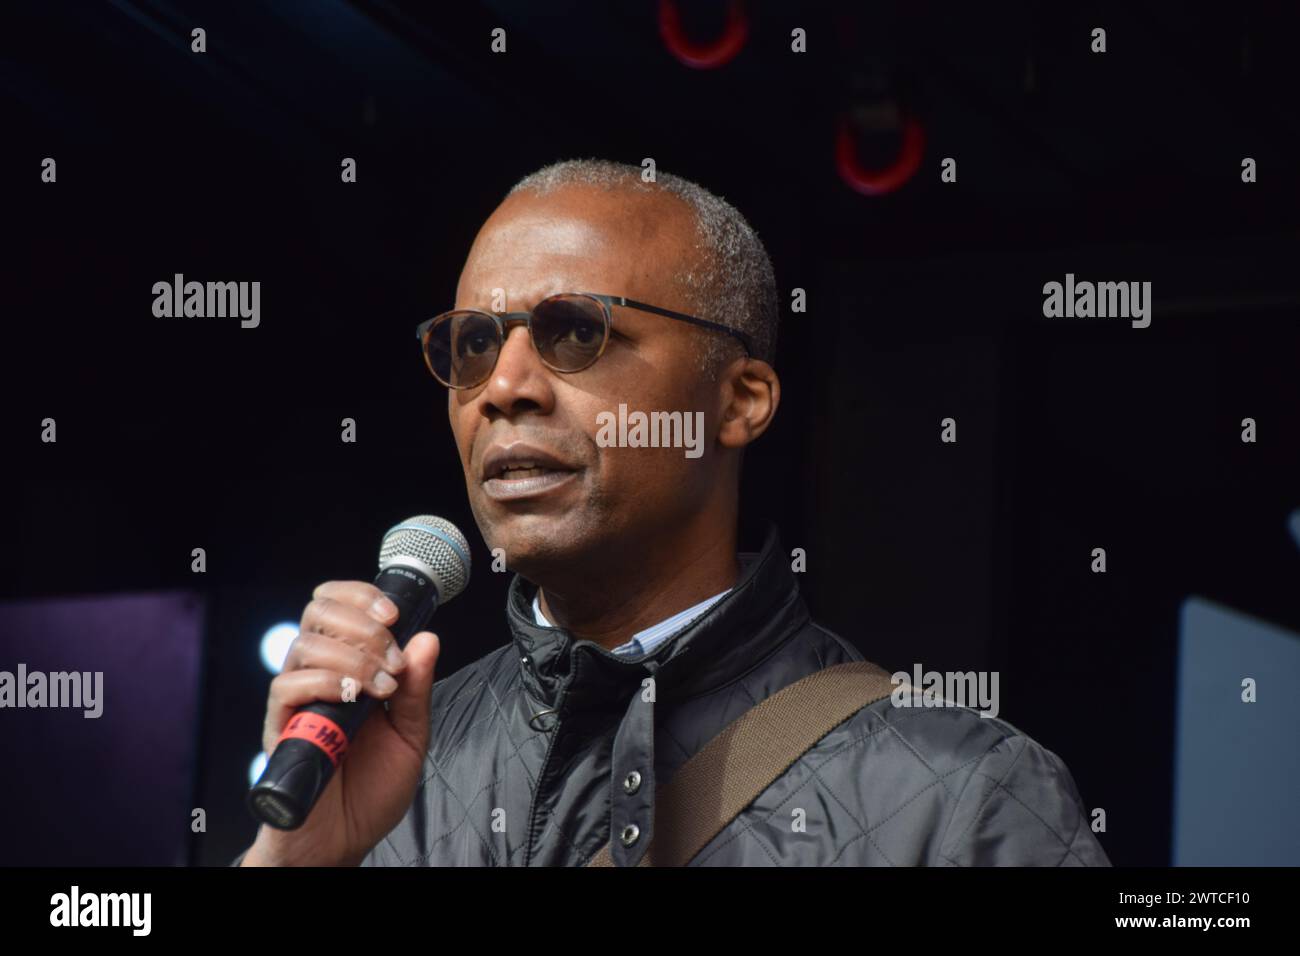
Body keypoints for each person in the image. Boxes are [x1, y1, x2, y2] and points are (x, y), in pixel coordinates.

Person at [236, 158, 1109, 866]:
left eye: (576, 333)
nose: (502, 388)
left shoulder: (962, 798)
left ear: (741, 401)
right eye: (471, 344)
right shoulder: (386, 759)